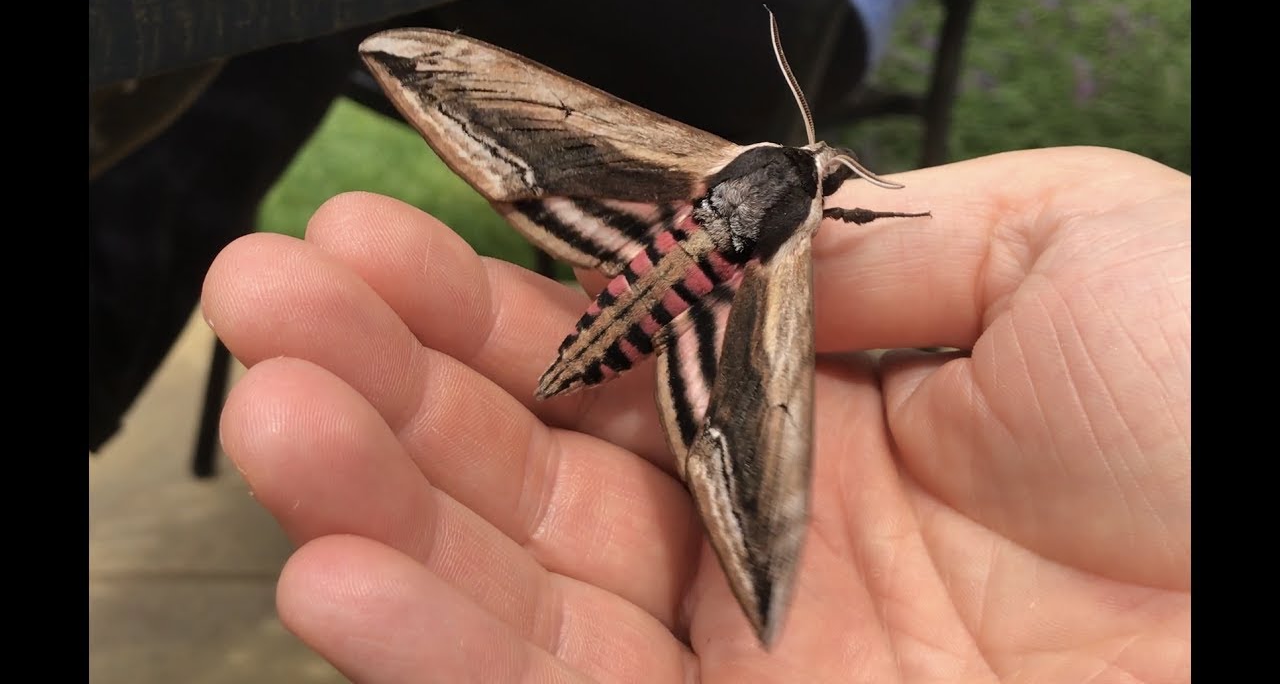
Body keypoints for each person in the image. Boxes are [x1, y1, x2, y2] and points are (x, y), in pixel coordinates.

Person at [202, 146, 1189, 682]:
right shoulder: (778, 253)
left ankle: (751, 546)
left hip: (637, 279)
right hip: (673, 316)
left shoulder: (728, 209)